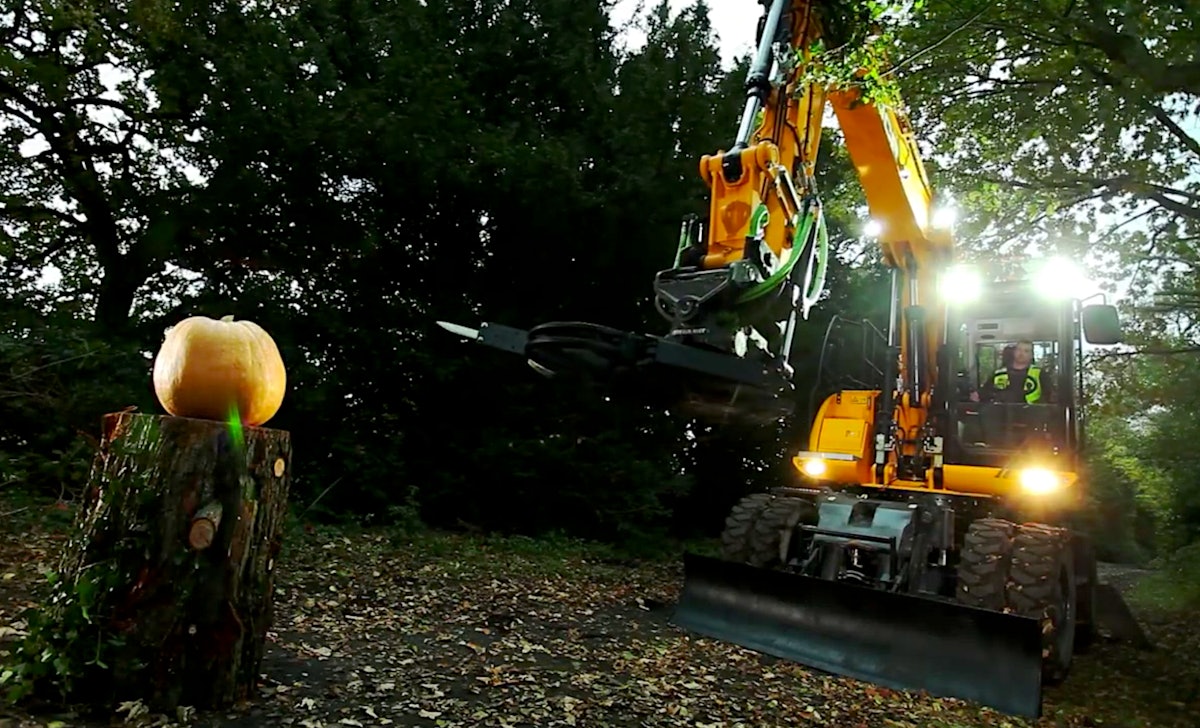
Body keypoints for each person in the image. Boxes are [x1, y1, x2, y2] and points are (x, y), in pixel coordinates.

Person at [970, 339, 1050, 404]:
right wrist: (977, 395)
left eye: (1026, 351)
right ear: (1014, 352)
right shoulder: (999, 373)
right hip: (1002, 417)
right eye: (1019, 350)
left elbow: (1049, 397)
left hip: (1030, 417)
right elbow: (985, 392)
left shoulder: (1039, 373)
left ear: (1031, 355)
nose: (1021, 353)